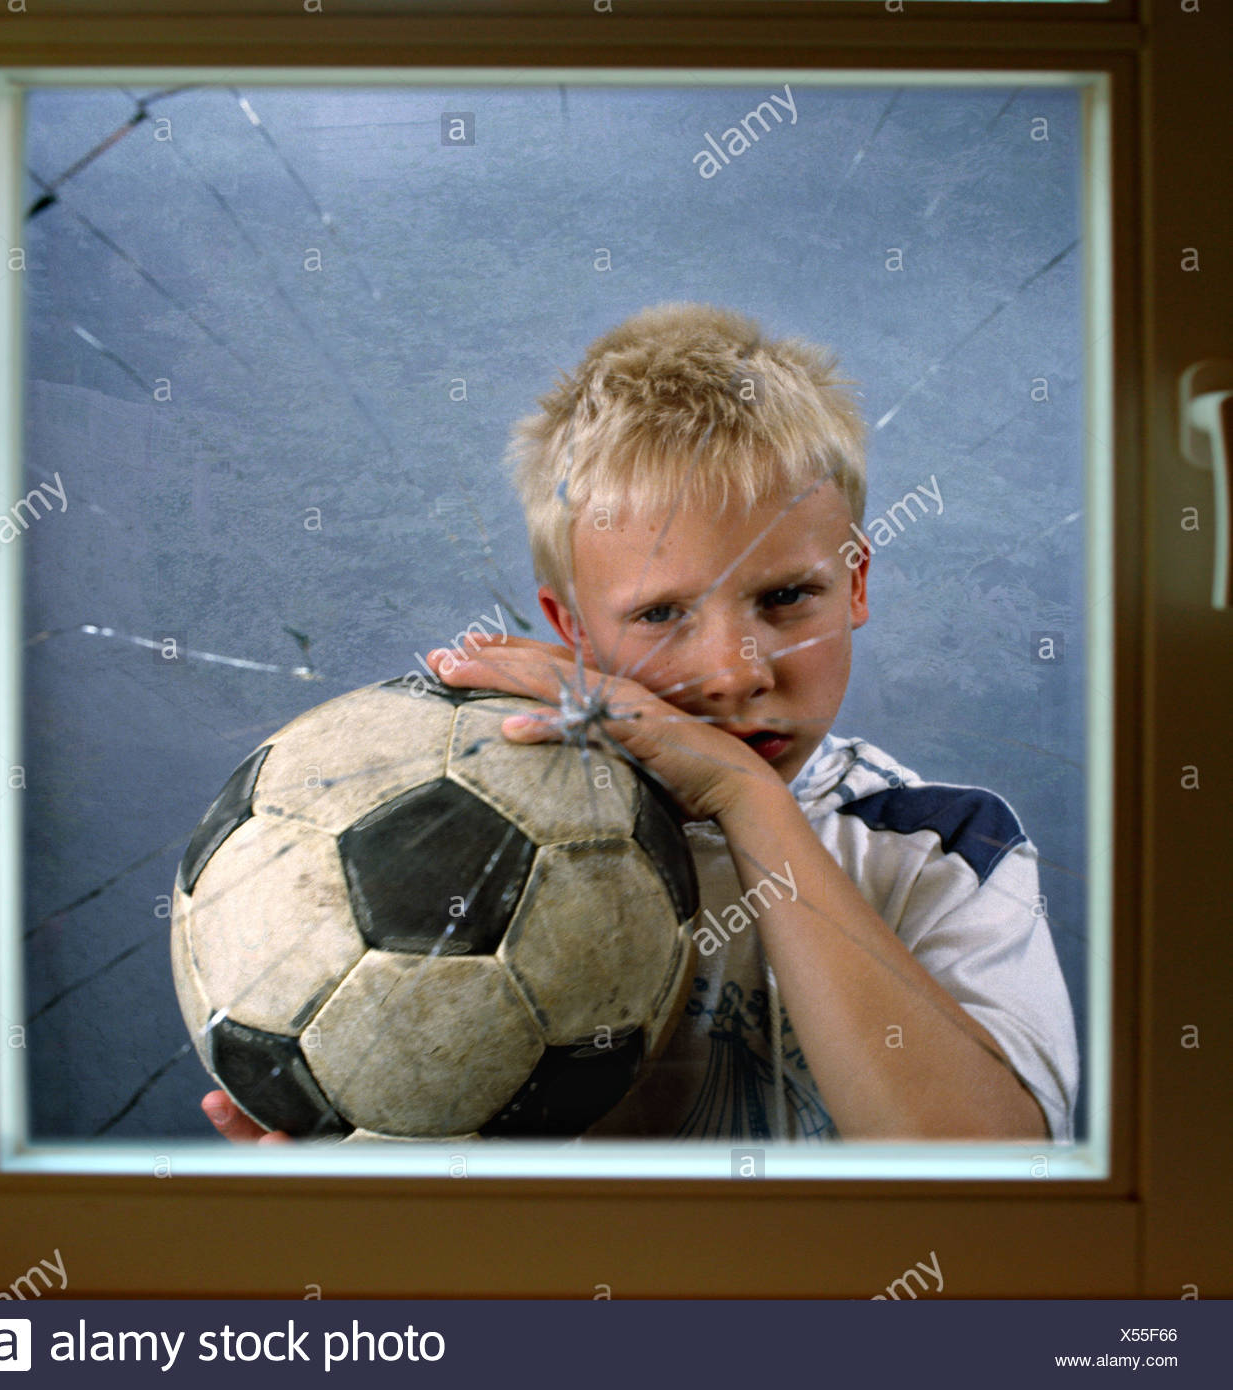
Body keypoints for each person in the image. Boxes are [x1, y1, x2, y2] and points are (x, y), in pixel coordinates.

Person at [203, 301, 1078, 1145]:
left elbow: (993, 1177)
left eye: (786, 597)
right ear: (574, 629)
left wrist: (744, 797)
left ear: (853, 584)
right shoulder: (461, 838)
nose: (737, 672)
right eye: (661, 615)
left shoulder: (940, 848)